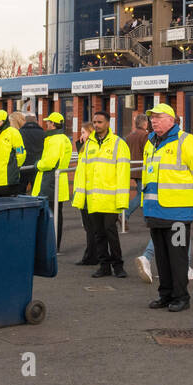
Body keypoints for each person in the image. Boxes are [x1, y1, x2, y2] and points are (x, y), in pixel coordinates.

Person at [140, 103, 193, 312]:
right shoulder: (150, 142)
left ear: (171, 120)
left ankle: (181, 297)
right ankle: (165, 294)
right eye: (152, 117)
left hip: (177, 212)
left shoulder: (186, 141)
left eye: (158, 117)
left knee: (177, 257)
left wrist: (188, 193)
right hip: (154, 210)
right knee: (161, 257)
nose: (153, 120)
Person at [72, 111, 130, 278]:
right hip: (93, 199)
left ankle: (118, 266)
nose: (96, 125)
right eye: (94, 122)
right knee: (98, 234)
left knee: (111, 232)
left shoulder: (118, 144)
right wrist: (80, 197)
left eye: (100, 122)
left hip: (110, 199)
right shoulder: (89, 145)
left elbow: (123, 174)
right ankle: (104, 266)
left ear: (108, 123)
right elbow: (81, 172)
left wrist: (121, 200)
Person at [32, 112, 72, 248]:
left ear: (53, 124)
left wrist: (37, 164)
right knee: (56, 215)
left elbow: (50, 162)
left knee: (50, 215)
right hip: (57, 181)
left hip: (50, 181)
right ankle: (54, 244)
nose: (46, 124)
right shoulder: (63, 138)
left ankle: (51, 245)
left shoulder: (55, 140)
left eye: (48, 122)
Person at [0, 109, 26, 197]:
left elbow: (21, 152)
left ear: (4, 121)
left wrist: (14, 166)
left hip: (8, 179)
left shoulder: (13, 132)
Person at [17, 111, 45, 196]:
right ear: (36, 121)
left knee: (21, 191)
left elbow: (19, 149)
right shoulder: (43, 133)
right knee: (37, 191)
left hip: (23, 166)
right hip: (37, 166)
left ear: (25, 121)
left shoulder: (19, 133)